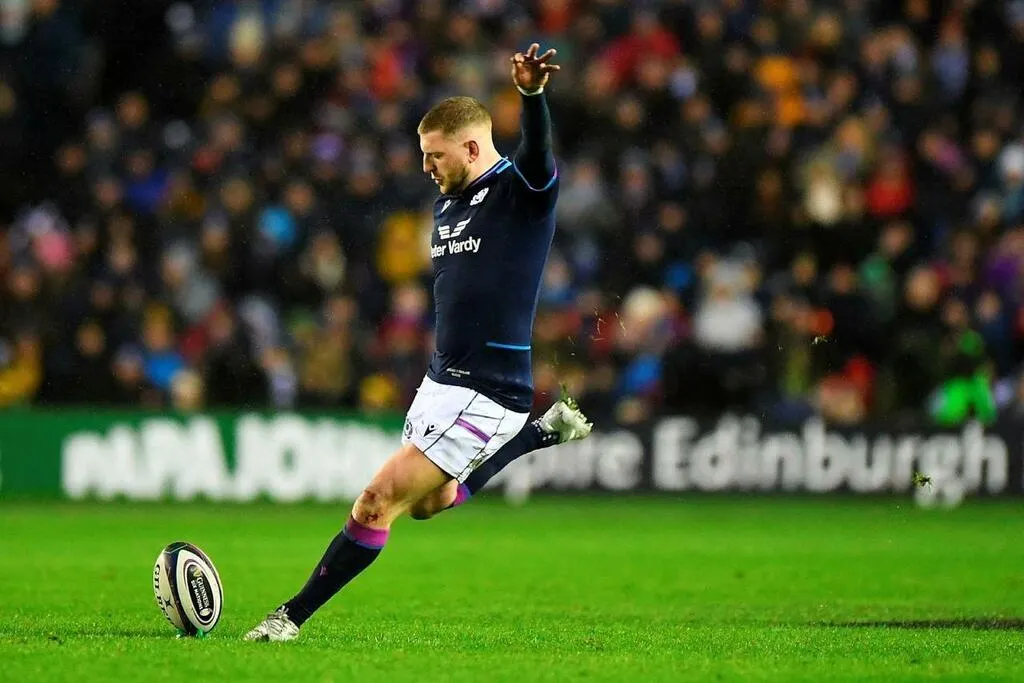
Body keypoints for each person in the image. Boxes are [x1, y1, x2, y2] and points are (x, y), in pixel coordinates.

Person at [245, 44, 592, 642]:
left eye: (436, 156)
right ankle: (540, 433)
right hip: (442, 379)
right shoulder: (447, 203)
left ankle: (288, 618)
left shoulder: (519, 192)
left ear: (473, 147)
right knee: (430, 503)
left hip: (487, 388)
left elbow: (537, 155)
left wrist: (531, 97)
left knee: (376, 500)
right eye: (423, 156)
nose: (427, 167)